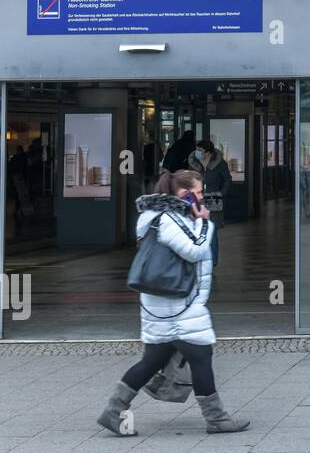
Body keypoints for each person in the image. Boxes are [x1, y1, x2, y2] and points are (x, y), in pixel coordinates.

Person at [96, 169, 250, 436]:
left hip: (167, 302)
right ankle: (216, 419)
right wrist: (204, 222)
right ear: (184, 194)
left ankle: (114, 411)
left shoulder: (162, 216)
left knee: (154, 359)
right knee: (201, 356)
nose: (202, 197)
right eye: (198, 192)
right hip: (178, 304)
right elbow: (194, 250)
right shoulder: (168, 219)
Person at [190, 139, 233, 266]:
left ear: (208, 152)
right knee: (197, 231)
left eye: (200, 150)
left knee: (212, 231)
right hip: (197, 200)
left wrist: (221, 193)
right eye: (196, 149)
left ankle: (212, 261)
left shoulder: (220, 164)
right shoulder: (193, 163)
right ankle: (198, 259)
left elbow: (227, 180)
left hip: (213, 198)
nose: (197, 152)